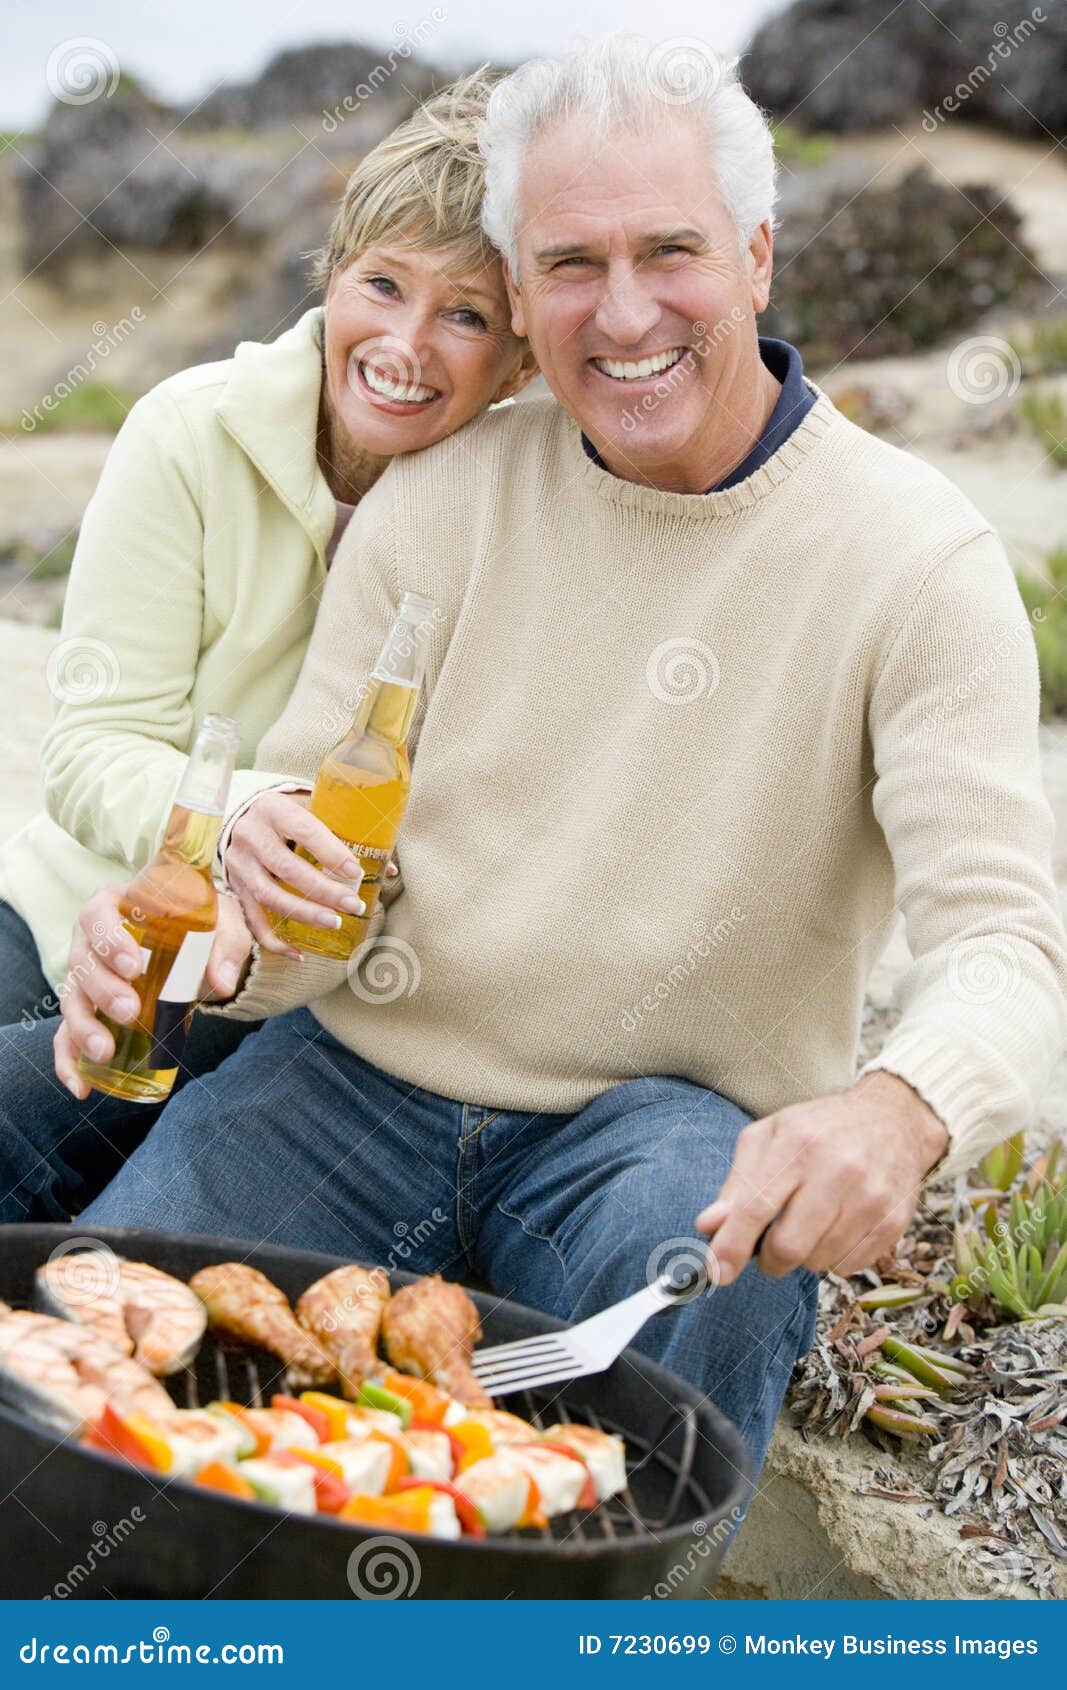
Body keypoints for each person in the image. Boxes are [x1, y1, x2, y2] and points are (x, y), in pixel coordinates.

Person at [17, 35, 1067, 1479]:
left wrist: (903, 1110)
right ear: (520, 292)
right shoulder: (436, 503)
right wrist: (210, 932)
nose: (621, 310)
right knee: (96, 1386)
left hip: (658, 1132)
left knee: (671, 1374)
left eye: (669, 251)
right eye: (570, 263)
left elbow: (1006, 941)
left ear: (756, 256)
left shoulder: (916, 561)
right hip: (346, 1078)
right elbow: (308, 908)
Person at [0, 71, 534, 1212]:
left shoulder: (522, 515)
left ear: (522, 359)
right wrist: (242, 814)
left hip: (267, 995)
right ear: (330, 277)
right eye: (380, 284)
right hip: (70, 910)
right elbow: (93, 747)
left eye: (466, 314)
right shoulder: (188, 433)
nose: (404, 343)